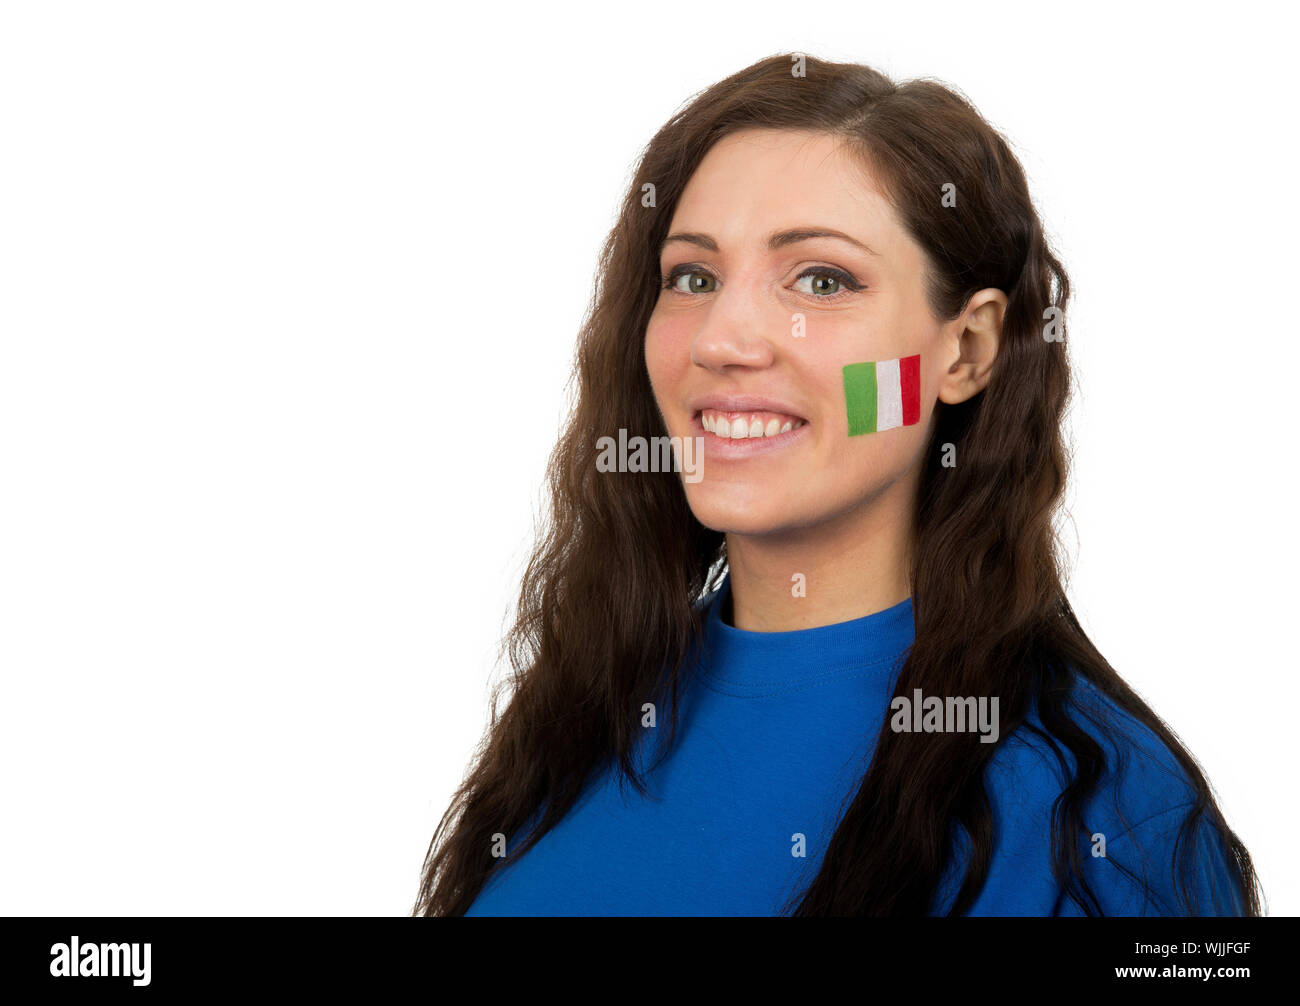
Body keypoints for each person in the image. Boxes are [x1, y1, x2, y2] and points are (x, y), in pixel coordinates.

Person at [414, 52, 1261, 916]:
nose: (723, 339)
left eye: (822, 280)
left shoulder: (1101, 814)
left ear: (965, 351)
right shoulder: (588, 711)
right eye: (693, 277)